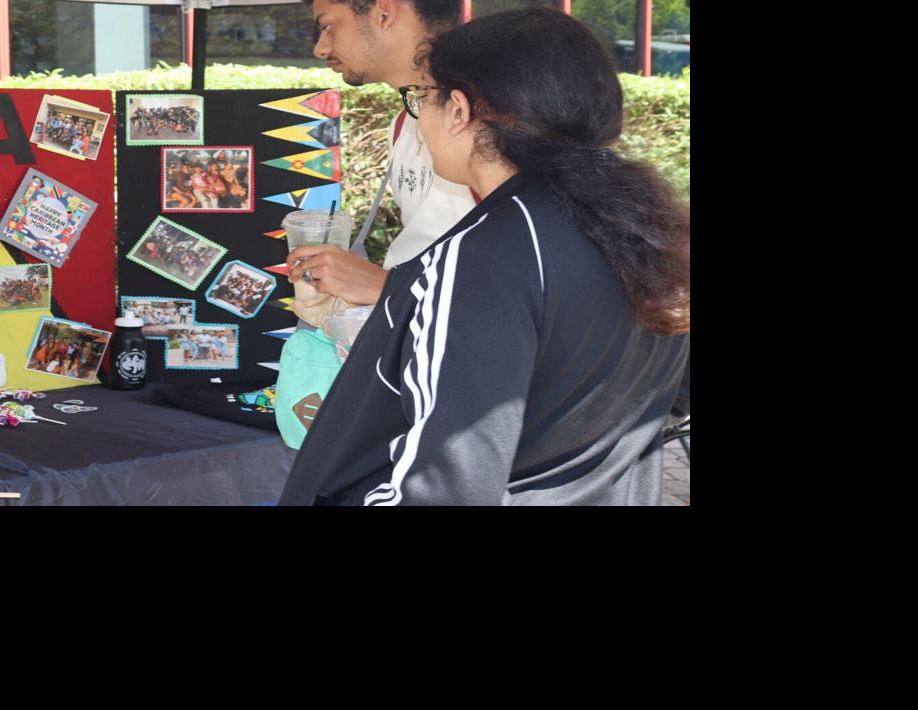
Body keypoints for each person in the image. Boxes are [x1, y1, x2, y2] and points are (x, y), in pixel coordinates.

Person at [279, 8, 691, 506]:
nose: (417, 115)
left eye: (422, 97)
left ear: (459, 109)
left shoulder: (479, 257)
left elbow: (444, 483)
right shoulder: (642, 233)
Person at [289, 0, 476, 306]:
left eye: (327, 26)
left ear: (384, 13)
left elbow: (529, 278)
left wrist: (383, 286)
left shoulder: (493, 121)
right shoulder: (403, 124)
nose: (320, 49)